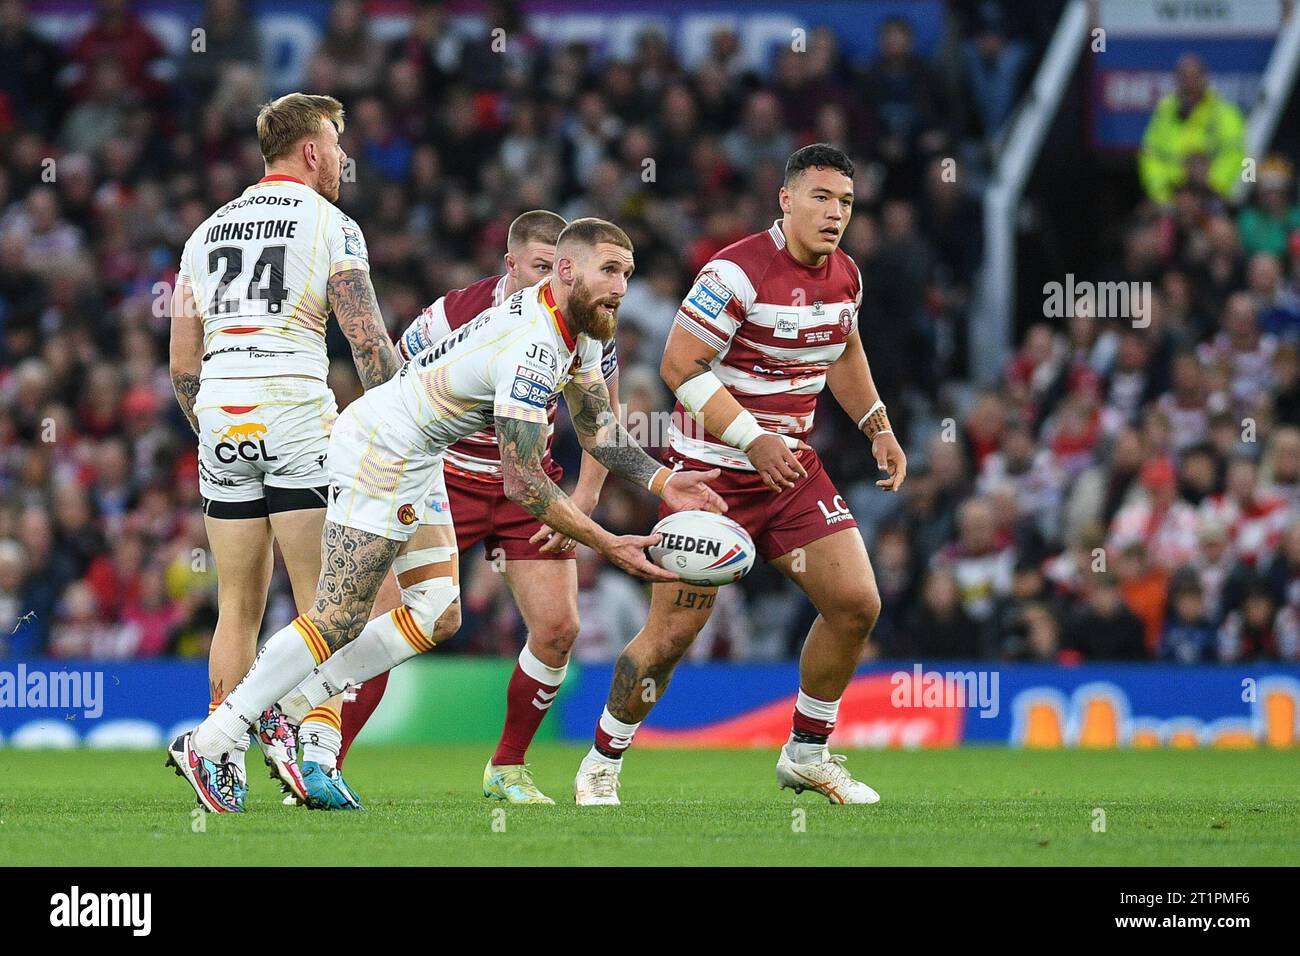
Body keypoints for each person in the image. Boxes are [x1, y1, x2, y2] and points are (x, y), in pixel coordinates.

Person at [166, 217, 725, 812]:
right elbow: (525, 480)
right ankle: (215, 738)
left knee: (438, 614)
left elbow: (598, 429)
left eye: (628, 274)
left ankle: (296, 701)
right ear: (566, 271)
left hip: (421, 450)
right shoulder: (533, 344)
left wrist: (665, 480)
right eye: (610, 271)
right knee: (339, 615)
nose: (621, 287)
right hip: (380, 449)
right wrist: (608, 543)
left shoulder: (582, 330)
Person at [572, 144, 907, 807]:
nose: (835, 213)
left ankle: (807, 754)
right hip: (711, 479)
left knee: (856, 605)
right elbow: (678, 366)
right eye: (820, 197)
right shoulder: (735, 272)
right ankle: (601, 761)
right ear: (786, 200)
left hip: (790, 475)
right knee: (671, 636)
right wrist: (753, 441)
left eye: (845, 201)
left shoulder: (847, 277)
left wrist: (877, 425)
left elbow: (844, 349)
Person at [335, 210, 624, 805]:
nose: (557, 281)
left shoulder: (586, 324)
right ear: (509, 264)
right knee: (391, 621)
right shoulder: (451, 313)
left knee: (559, 628)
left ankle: (507, 767)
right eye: (542, 268)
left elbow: (603, 416)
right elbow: (387, 379)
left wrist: (588, 495)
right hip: (445, 480)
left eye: (562, 269)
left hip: (529, 487)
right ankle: (324, 762)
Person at [169, 92, 400, 808]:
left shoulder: (204, 233)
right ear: (310, 150)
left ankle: (221, 752)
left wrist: (212, 429)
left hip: (222, 417)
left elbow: (182, 364)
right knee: (327, 603)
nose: (341, 157)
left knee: (235, 604)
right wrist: (403, 429)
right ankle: (310, 755)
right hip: (296, 412)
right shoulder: (334, 224)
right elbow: (365, 341)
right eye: (336, 143)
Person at [1139, 53, 1245, 205]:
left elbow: (1236, 154)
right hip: (1173, 196)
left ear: (1204, 78)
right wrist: (1161, 194)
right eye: (1184, 77)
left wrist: (1213, 185)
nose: (1189, 82)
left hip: (1211, 196)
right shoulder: (1165, 112)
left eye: (1194, 76)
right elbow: (1150, 156)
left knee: (1221, 229)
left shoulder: (1224, 112)